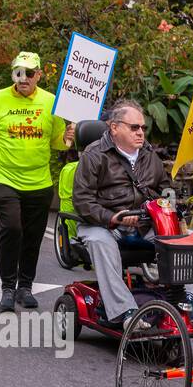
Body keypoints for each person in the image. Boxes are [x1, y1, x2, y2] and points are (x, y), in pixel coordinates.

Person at [0, 51, 74, 312]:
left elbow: (58, 143)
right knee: (12, 227)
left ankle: (25, 286)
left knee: (33, 235)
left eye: (29, 73)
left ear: (38, 75)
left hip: (38, 183)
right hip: (4, 178)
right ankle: (7, 287)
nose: (23, 77)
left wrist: (69, 136)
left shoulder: (51, 102)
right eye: (19, 72)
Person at [70, 99, 169, 325]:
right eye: (134, 127)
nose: (140, 133)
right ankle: (125, 312)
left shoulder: (149, 155)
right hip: (102, 224)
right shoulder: (94, 155)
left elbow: (165, 187)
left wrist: (169, 204)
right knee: (101, 242)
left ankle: (186, 303)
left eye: (143, 128)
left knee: (187, 240)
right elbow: (82, 200)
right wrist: (111, 218)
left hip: (144, 224)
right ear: (114, 127)